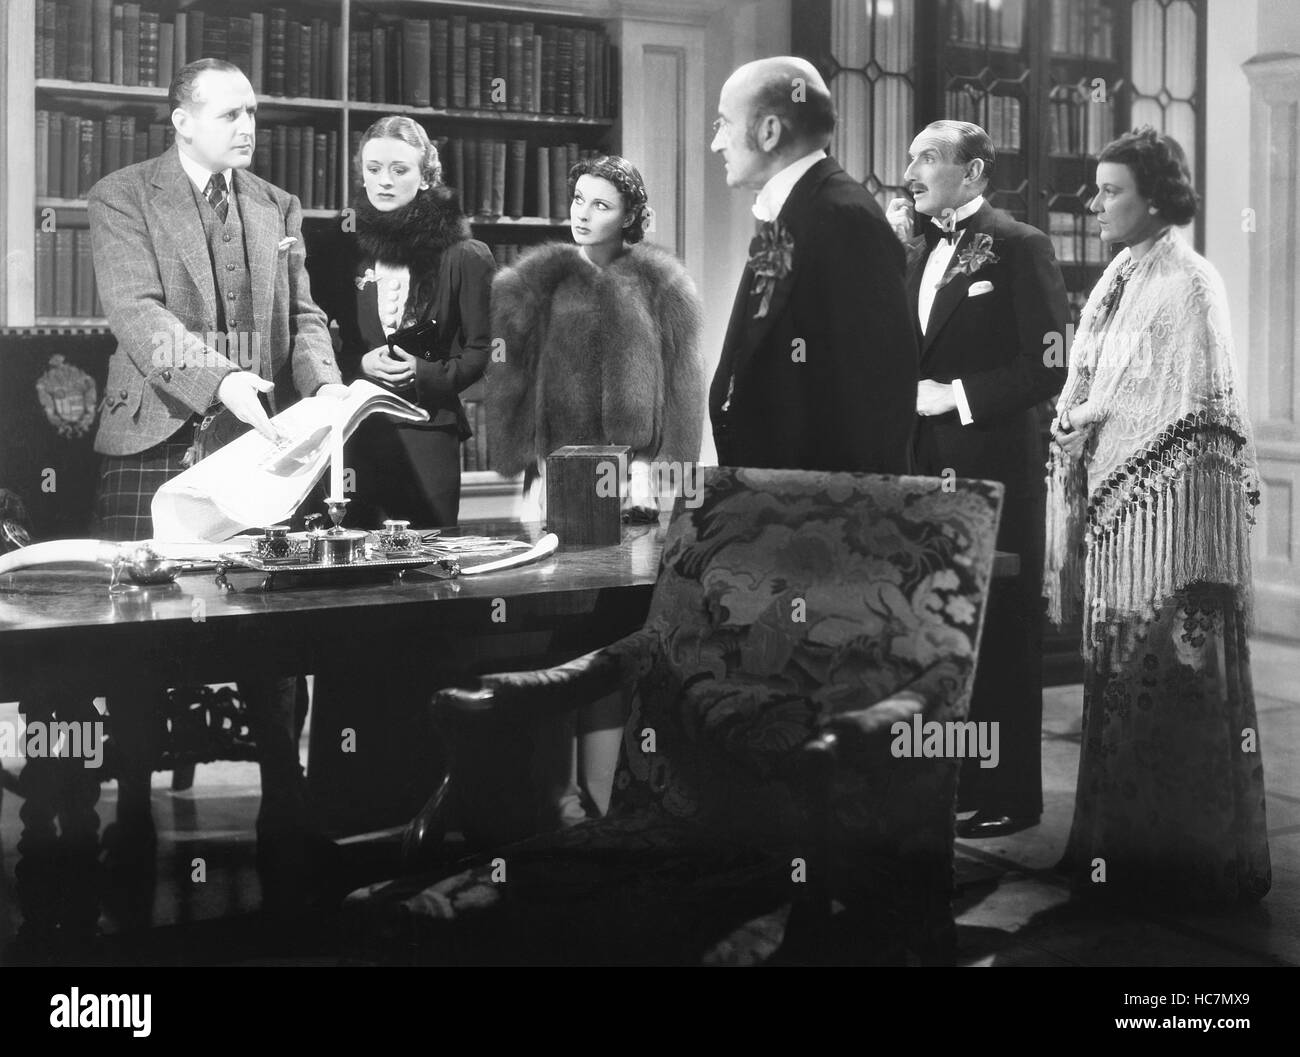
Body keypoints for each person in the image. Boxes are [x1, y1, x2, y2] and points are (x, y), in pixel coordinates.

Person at [87, 58, 344, 910]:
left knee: (271, 636)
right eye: (231, 112)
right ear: (181, 120)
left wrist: (327, 382)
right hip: (152, 442)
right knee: (135, 641)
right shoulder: (122, 196)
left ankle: (288, 801)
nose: (248, 127)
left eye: (255, 113)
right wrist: (223, 378)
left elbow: (303, 316)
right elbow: (137, 313)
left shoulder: (276, 207)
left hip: (254, 452)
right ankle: (128, 808)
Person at [1045, 127, 1271, 907]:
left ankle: (1182, 872)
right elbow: (1104, 384)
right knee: (1116, 691)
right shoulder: (1119, 275)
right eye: (1097, 188)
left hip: (1170, 535)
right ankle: (1117, 857)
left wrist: (1104, 428)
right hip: (1120, 520)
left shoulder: (1191, 283)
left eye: (1111, 190)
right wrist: (1078, 421)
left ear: (1156, 197)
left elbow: (1205, 415)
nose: (1096, 203)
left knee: (1172, 689)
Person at [488, 154, 704, 822]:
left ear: (631, 217)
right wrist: (520, 459)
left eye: (601, 204)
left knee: (617, 633)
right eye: (578, 199)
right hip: (557, 484)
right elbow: (507, 375)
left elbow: (686, 385)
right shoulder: (537, 280)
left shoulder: (662, 282)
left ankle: (610, 794)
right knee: (558, 628)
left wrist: (668, 470)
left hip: (636, 483)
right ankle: (559, 796)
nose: (582, 213)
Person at [885, 121, 1069, 838]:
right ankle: (953, 780)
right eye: (910, 158)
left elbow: (1049, 360)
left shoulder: (1020, 245)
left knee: (999, 631)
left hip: (994, 468)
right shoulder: (912, 249)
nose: (913, 170)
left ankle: (1011, 793)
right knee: (937, 630)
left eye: (929, 158)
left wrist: (954, 395)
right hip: (919, 468)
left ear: (975, 172)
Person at [709, 56, 917, 474]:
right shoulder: (796, 209)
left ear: (769, 131)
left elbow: (873, 400)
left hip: (818, 515)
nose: (716, 143)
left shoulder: (844, 217)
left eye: (723, 124)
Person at [312, 116, 494, 528]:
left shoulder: (465, 255)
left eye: (400, 170)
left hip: (428, 429)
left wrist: (425, 371)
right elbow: (312, 333)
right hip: (357, 431)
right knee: (355, 565)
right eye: (373, 170)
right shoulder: (338, 250)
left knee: (428, 566)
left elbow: (483, 350)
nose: (384, 182)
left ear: (426, 176)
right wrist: (359, 364)